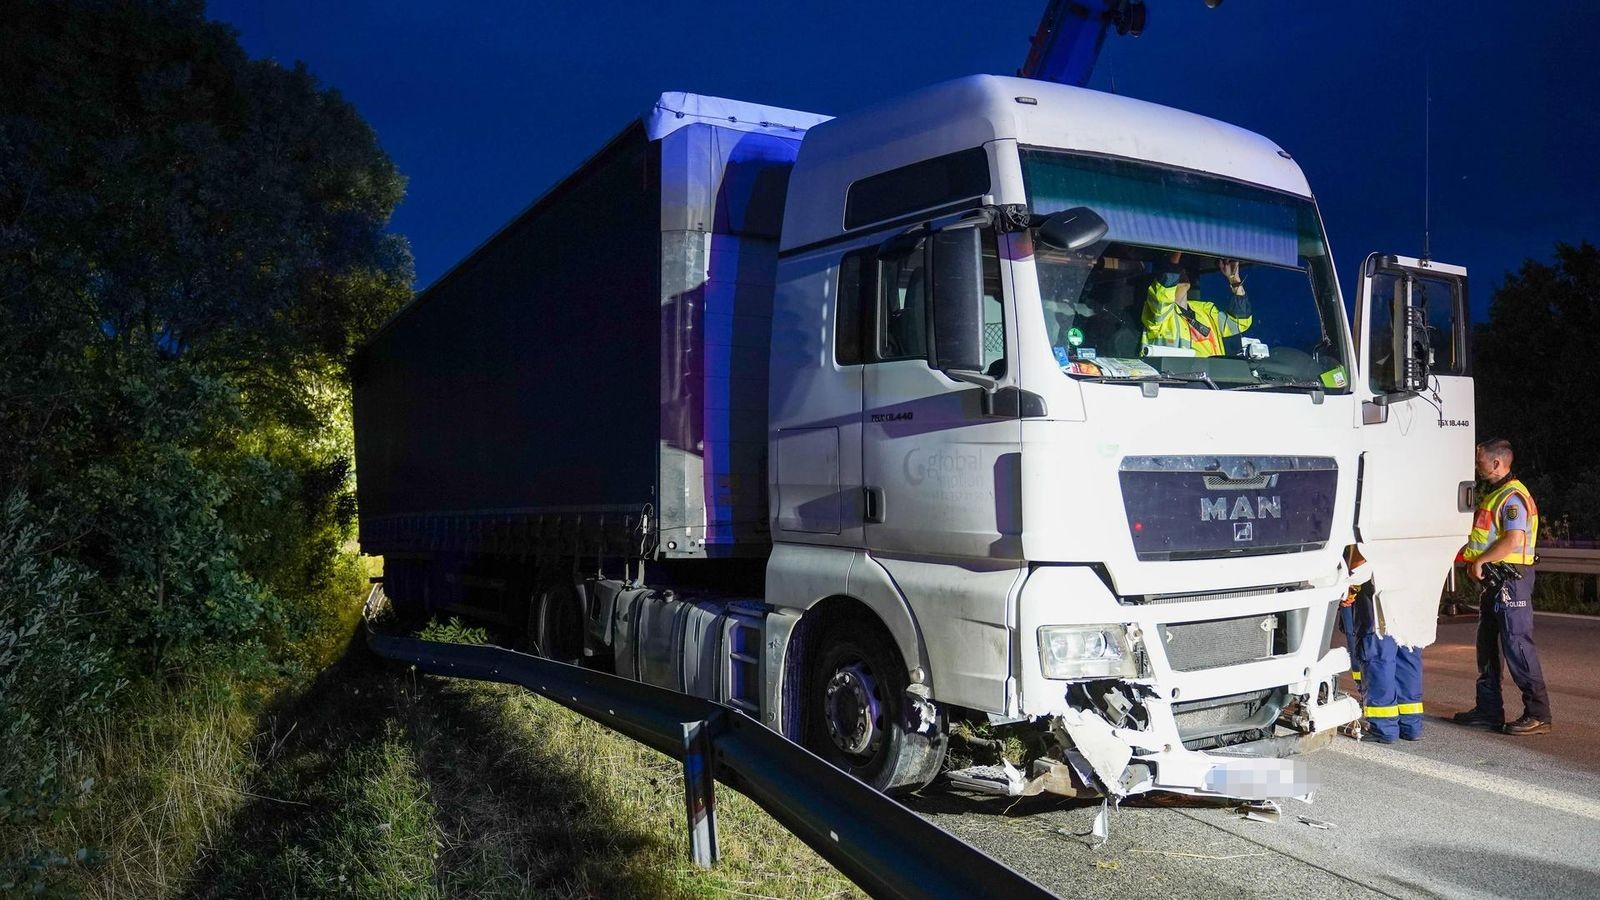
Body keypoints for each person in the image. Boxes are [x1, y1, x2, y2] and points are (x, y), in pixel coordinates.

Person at [1451, 438, 1553, 736]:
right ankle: (1488, 709)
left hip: (1511, 580)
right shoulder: (1496, 495)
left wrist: (1481, 561)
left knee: (1517, 645)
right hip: (1497, 580)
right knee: (1487, 646)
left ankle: (1538, 714)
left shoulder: (1512, 497)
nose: (1475, 463)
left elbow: (1514, 540)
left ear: (1497, 463)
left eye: (1479, 459)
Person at [1140, 251, 1251, 357]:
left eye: (1183, 269)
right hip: (1177, 376)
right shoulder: (1158, 316)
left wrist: (1235, 280)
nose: (1181, 272)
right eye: (1177, 271)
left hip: (1216, 375)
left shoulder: (1205, 310)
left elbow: (1239, 322)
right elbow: (1162, 294)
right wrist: (1176, 248)